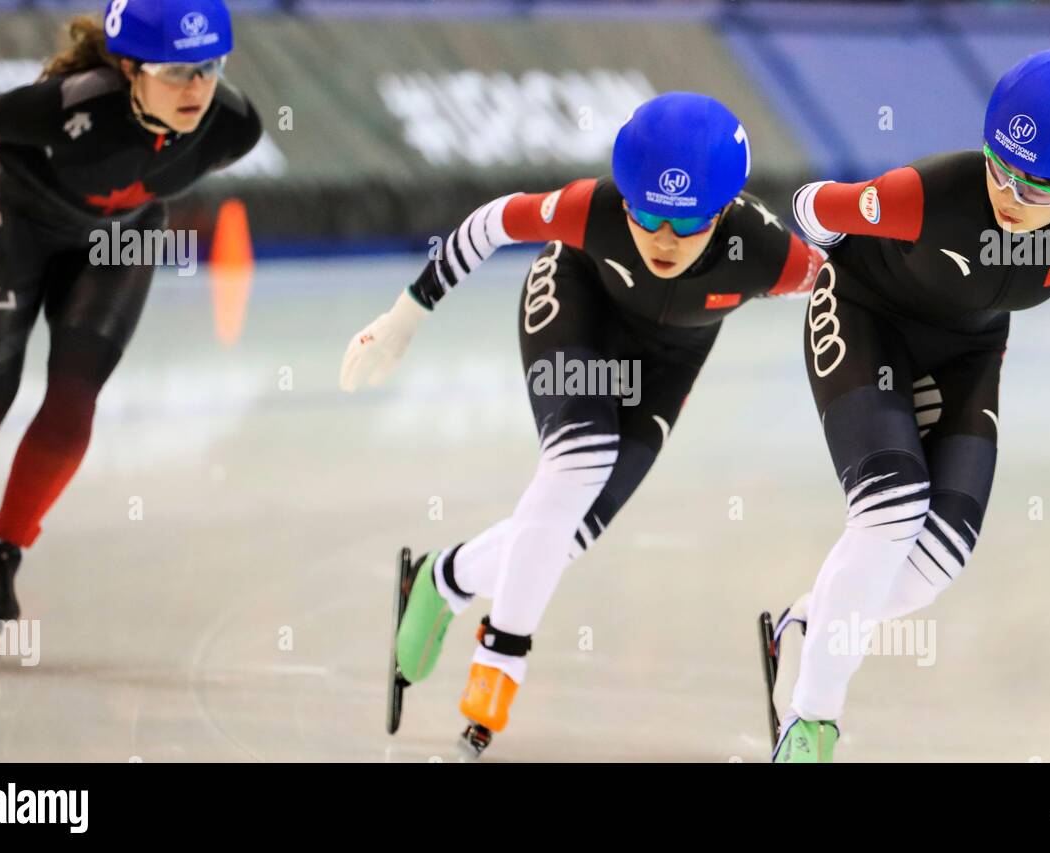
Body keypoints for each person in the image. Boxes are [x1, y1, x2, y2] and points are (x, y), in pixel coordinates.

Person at [340, 92, 825, 755]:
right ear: (627, 197)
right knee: (580, 458)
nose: (664, 238)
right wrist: (407, 314)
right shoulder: (591, 211)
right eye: (649, 214)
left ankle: (446, 576)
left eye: (687, 225)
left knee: (572, 530)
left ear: (722, 214)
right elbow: (490, 222)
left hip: (669, 359)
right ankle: (501, 658)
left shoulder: (769, 255)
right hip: (577, 309)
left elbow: (850, 287)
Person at [768, 48, 1050, 762]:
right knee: (891, 507)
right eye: (999, 166)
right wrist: (815, 260)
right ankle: (812, 724)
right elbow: (810, 206)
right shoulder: (925, 195)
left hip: (968, 353)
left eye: (1034, 190)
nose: (1007, 193)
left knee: (936, 560)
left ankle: (810, 625)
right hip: (865, 313)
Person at [0, 0, 261, 620]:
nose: (196, 88)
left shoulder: (232, 125)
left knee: (74, 397)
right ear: (129, 69)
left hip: (122, 235)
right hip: (18, 218)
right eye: (174, 72)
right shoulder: (74, 105)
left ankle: (2, 553)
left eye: (210, 66)